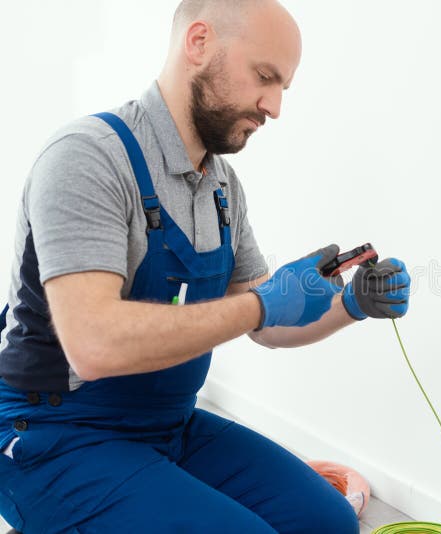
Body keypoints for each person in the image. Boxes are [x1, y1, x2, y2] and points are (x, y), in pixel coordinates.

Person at [0, 0, 410, 532]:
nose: (275, 106)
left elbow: (268, 324)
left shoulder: (221, 189)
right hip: (54, 434)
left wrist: (351, 304)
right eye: (266, 77)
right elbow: (93, 344)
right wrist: (260, 305)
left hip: (166, 425)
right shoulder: (87, 157)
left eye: (284, 87)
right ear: (198, 43)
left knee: (328, 523)